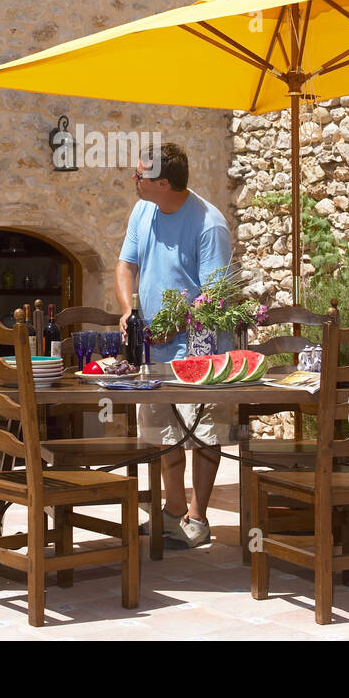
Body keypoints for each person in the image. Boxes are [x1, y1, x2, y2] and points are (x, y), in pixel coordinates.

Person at [117, 141, 234, 548]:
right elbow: (126, 264)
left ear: (162, 182)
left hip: (201, 349)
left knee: (203, 432)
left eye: (139, 176)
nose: (133, 180)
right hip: (153, 349)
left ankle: (198, 517)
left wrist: (173, 326)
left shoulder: (209, 225)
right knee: (162, 431)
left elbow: (214, 297)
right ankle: (171, 510)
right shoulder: (142, 211)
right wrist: (128, 311)